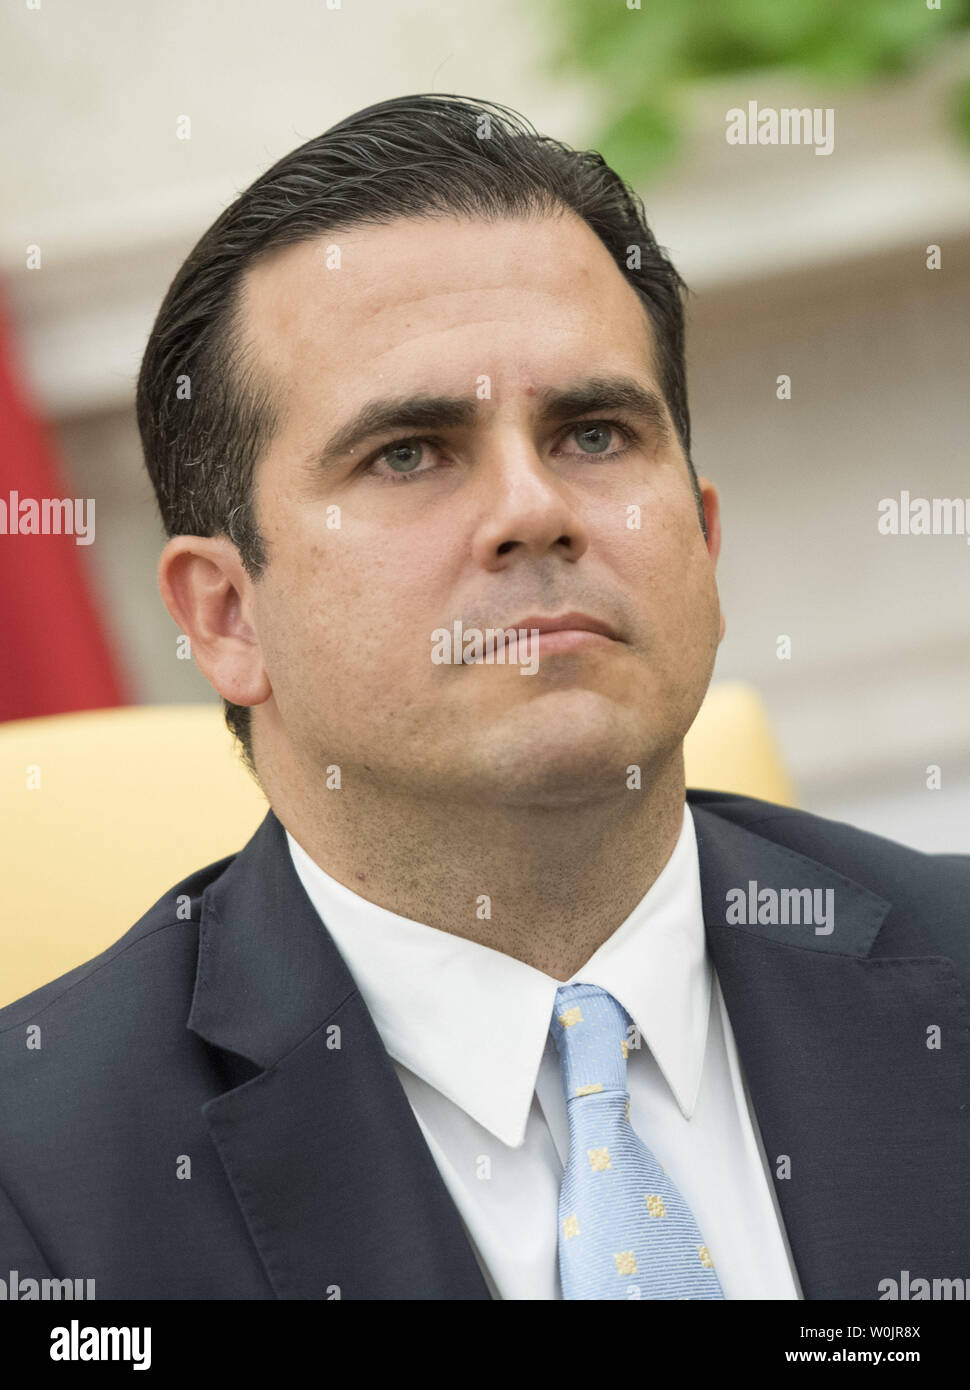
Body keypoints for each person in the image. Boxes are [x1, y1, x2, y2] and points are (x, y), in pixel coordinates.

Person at [2, 93, 968, 1302]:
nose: (532, 510)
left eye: (596, 432)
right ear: (226, 618)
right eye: (408, 452)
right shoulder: (37, 1197)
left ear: (704, 544)